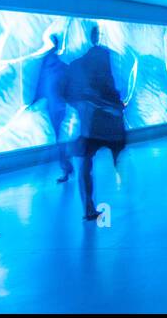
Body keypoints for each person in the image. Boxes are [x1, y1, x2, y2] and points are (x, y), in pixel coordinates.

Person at [64, 23, 126, 221]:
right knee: (95, 159)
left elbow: (70, 93)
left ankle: (88, 208)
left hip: (88, 123)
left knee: (86, 163)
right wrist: (115, 105)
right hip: (100, 120)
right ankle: (89, 208)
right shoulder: (103, 59)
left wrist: (82, 105)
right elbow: (110, 87)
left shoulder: (76, 65)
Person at [30, 33, 73, 183]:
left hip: (57, 106)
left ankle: (66, 167)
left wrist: (35, 99)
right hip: (57, 106)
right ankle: (66, 165)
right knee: (58, 137)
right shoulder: (61, 66)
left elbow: (43, 85)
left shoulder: (51, 65)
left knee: (58, 138)